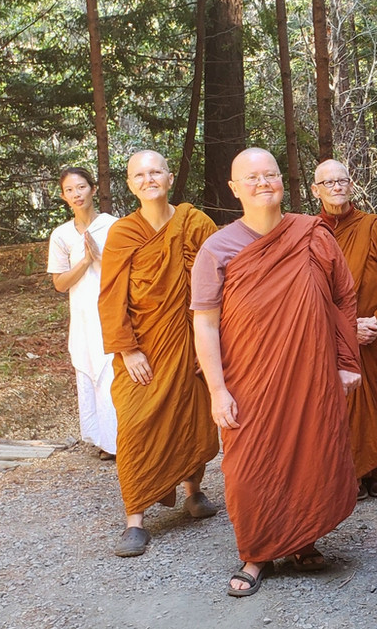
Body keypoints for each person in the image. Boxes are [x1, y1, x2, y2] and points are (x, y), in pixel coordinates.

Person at [192, 148, 362, 597]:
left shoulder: (312, 234)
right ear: (234, 188)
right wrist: (217, 390)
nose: (263, 183)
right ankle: (256, 551)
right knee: (249, 467)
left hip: (309, 373)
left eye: (270, 174)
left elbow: (343, 297)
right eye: (251, 177)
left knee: (310, 454)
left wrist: (346, 361)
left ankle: (302, 538)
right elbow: (205, 324)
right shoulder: (217, 248)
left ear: (283, 181)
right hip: (248, 379)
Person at [98, 150, 221, 557]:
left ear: (169, 178)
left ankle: (193, 491)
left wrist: (213, 343)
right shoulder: (122, 233)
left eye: (155, 172)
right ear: (130, 185)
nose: (148, 179)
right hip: (142, 348)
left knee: (192, 413)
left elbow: (221, 280)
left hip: (189, 341)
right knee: (135, 425)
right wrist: (127, 349)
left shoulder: (194, 223)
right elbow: (111, 296)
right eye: (139, 175)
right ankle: (135, 519)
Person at [312, 159, 377, 500]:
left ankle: (376, 468)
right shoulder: (309, 234)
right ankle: (348, 472)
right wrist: (346, 327)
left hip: (374, 333)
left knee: (375, 399)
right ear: (316, 190)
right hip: (331, 334)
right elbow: (308, 290)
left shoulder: (376, 227)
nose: (337, 186)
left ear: (351, 186)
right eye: (328, 182)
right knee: (339, 402)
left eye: (342, 180)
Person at [47, 167, 119, 460]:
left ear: (93, 189)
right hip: (83, 314)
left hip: (112, 308)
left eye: (81, 187)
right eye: (69, 190)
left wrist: (100, 257)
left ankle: (122, 439)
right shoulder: (61, 235)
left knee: (113, 371)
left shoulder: (114, 226)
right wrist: (86, 261)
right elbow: (60, 283)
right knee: (89, 368)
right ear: (64, 196)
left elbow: (128, 269)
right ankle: (102, 439)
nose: (76, 194)